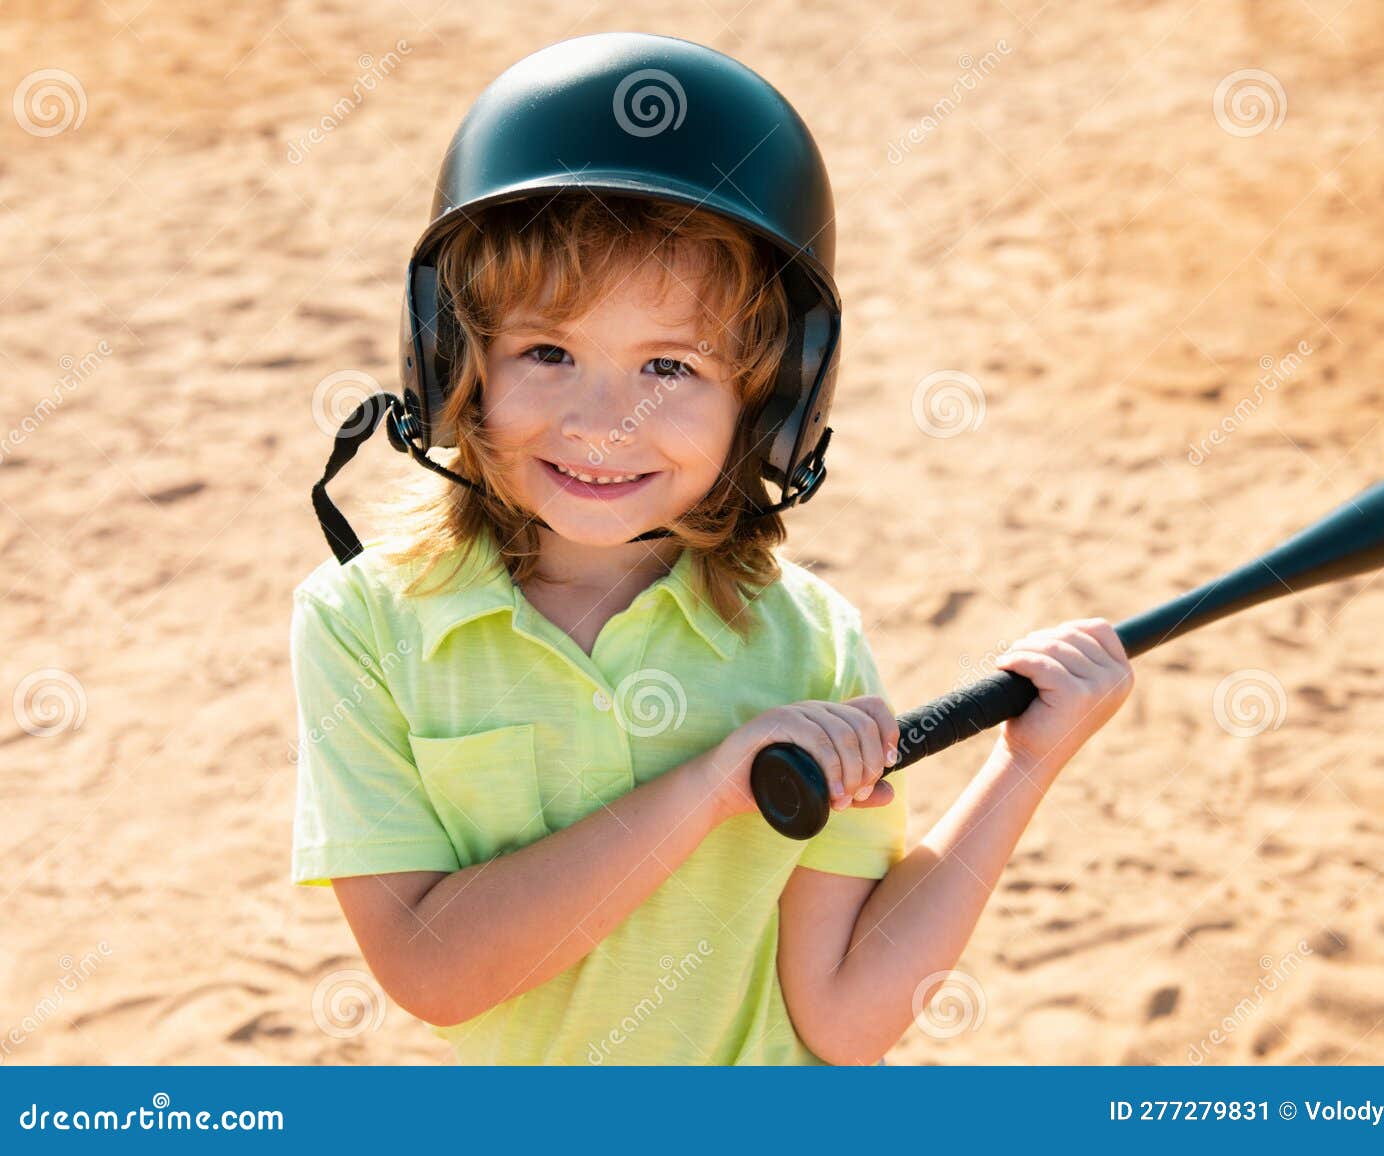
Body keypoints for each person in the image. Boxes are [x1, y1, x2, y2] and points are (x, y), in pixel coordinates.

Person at [290, 32, 1132, 1066]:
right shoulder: (366, 623)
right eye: (546, 352)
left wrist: (1023, 764)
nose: (603, 422)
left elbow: (845, 1015)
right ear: (452, 361)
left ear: (770, 405)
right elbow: (435, 974)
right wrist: (706, 787)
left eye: (671, 367)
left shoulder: (808, 639)